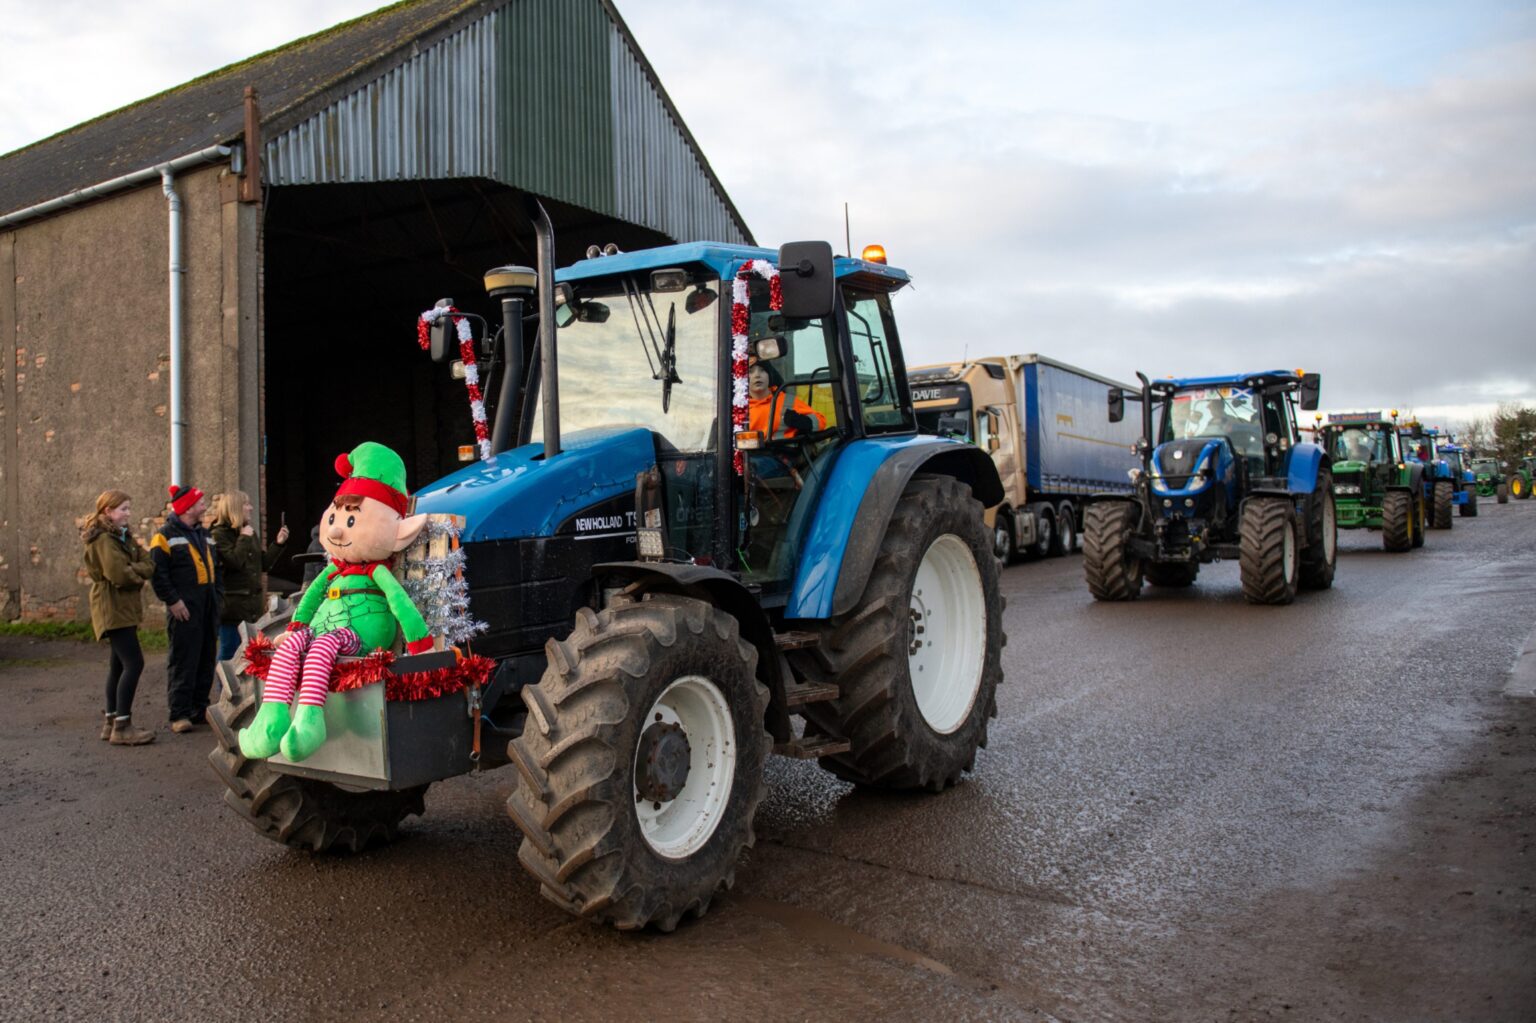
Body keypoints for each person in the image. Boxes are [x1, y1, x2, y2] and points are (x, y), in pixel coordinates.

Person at [80, 490, 157, 745]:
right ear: (107, 512)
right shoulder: (104, 539)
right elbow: (118, 575)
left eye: (128, 508)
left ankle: (111, 722)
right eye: (123, 508)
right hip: (112, 608)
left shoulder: (122, 536)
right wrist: (135, 572)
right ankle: (122, 727)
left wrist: (132, 569)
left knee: (118, 665)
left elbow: (148, 562)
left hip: (121, 607)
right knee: (134, 664)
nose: (128, 513)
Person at [151, 484, 221, 733]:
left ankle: (199, 709)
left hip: (207, 605)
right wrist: (173, 601)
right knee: (184, 660)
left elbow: (217, 571)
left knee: (205, 658)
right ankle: (179, 714)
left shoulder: (205, 535)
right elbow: (158, 574)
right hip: (184, 607)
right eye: (200, 502)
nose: (205, 506)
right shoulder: (164, 536)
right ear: (188, 508)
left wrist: (218, 599)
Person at [210, 491, 290, 662]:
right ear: (235, 509)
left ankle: (247, 688)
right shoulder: (219, 535)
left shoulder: (248, 532)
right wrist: (244, 538)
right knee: (230, 651)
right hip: (232, 607)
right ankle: (225, 687)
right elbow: (234, 562)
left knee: (251, 652)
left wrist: (278, 543)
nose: (251, 508)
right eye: (246, 504)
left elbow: (263, 564)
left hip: (252, 607)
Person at [747, 359, 825, 438]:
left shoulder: (786, 401)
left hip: (786, 449)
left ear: (770, 375)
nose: (757, 375)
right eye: (750, 371)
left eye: (762, 370)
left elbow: (821, 421)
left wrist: (804, 421)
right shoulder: (738, 410)